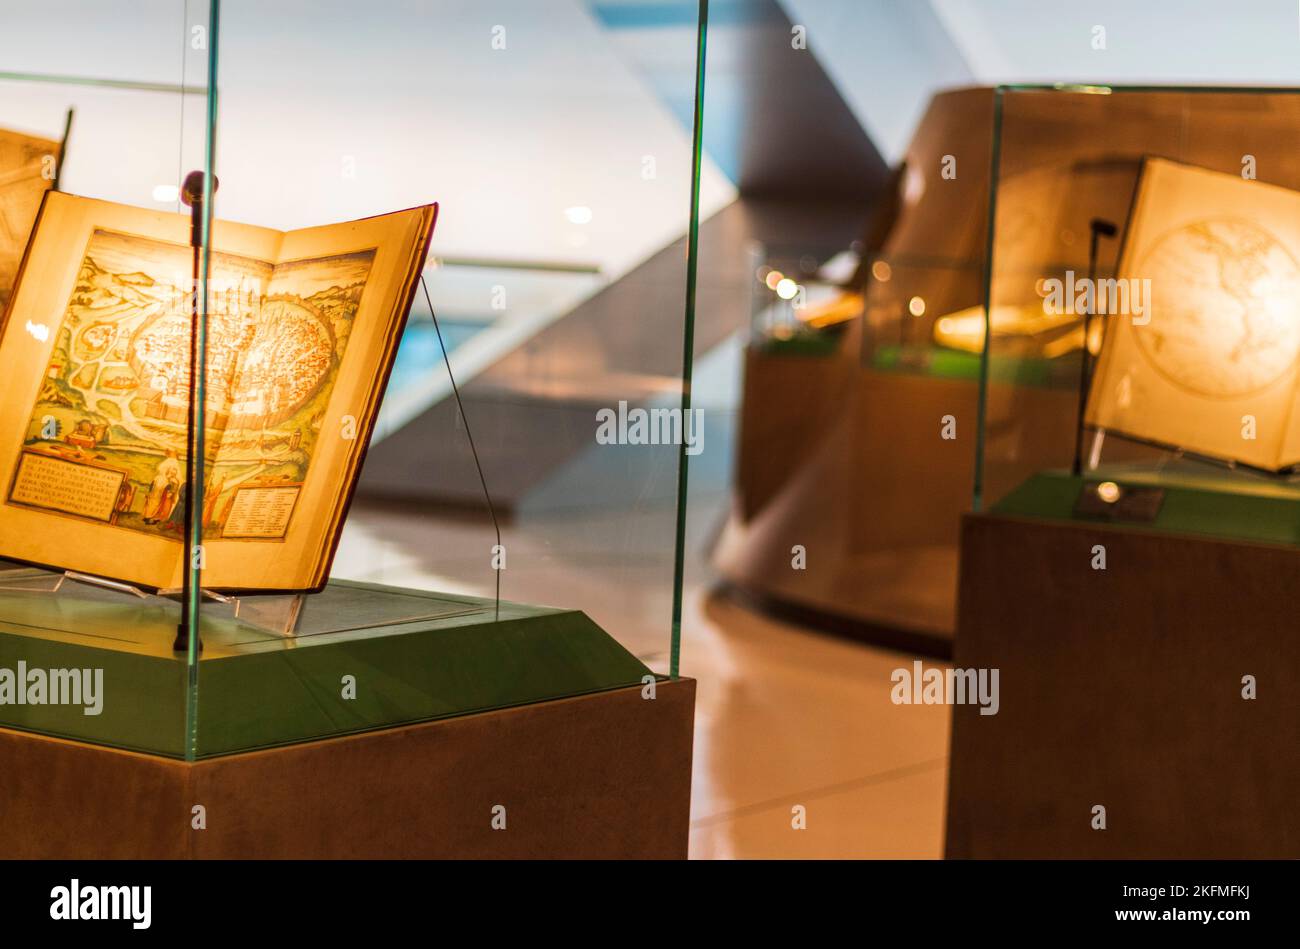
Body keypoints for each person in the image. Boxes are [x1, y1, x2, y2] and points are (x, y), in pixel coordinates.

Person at [142, 449, 182, 524]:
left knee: (159, 503)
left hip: (164, 488)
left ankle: (152, 517)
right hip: (159, 485)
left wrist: (171, 489)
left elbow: (174, 481)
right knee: (152, 501)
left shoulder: (173, 468)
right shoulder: (163, 472)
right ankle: (147, 516)